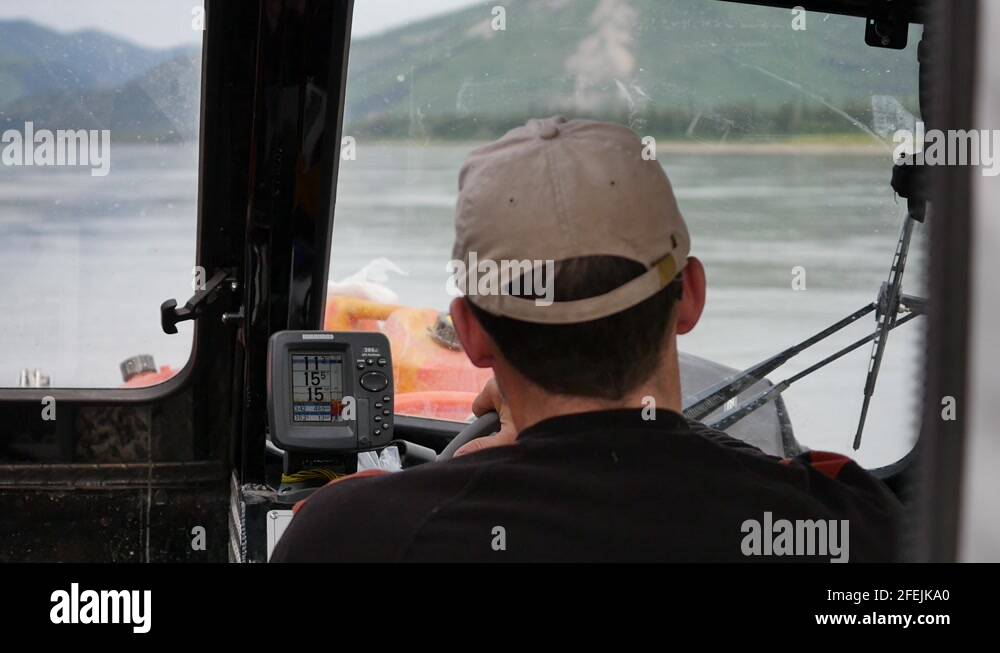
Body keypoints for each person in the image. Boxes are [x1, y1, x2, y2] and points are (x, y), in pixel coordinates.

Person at [271, 117, 901, 563]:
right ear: (691, 296)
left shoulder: (347, 538)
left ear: (469, 333)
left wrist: (511, 445)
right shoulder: (850, 526)